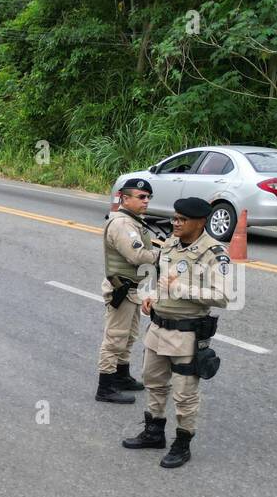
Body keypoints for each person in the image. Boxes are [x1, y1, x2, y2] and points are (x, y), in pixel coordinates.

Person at [122, 196, 231, 468]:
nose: (176, 223)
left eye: (182, 219)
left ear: (201, 222)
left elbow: (223, 296)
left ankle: (182, 444)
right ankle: (153, 432)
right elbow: (163, 278)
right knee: (153, 381)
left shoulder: (213, 253)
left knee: (184, 394)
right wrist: (153, 297)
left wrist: (180, 290)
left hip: (186, 334)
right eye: (175, 218)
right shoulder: (170, 243)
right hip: (158, 327)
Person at [96, 178, 159, 403]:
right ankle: (105, 387)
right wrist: (163, 256)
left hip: (133, 289)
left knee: (129, 336)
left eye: (148, 197)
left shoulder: (132, 221)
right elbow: (137, 256)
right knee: (115, 338)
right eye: (141, 197)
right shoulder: (122, 224)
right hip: (121, 288)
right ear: (125, 198)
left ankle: (121, 376)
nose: (146, 201)